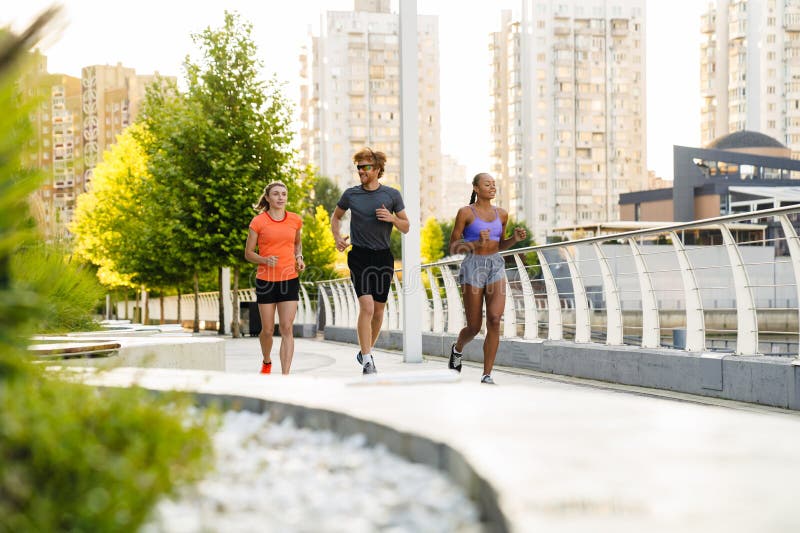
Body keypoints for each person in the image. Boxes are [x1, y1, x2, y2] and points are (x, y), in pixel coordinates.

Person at [331, 148, 410, 374]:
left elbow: (406, 226)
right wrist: (337, 237)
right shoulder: (351, 194)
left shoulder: (392, 195)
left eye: (365, 167)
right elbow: (336, 217)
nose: (361, 171)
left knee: (378, 311)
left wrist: (392, 218)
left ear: (377, 170)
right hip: (359, 255)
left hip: (383, 257)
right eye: (358, 167)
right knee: (366, 306)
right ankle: (367, 360)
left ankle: (365, 350)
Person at [447, 173, 527, 384]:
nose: (492, 187)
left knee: (494, 319)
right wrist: (475, 244)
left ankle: (487, 374)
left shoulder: (502, 214)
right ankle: (457, 348)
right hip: (473, 266)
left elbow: (499, 245)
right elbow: (453, 247)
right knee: (474, 326)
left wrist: (514, 240)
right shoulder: (466, 212)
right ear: (475, 188)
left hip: (495, 266)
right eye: (487, 184)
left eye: (494, 184)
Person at [245, 181, 305, 375]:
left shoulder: (295, 220)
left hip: (289, 278)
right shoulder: (258, 222)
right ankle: (267, 360)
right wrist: (263, 259)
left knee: (287, 328)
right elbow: (248, 253)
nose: (281, 197)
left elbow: (297, 244)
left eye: (284, 194)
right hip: (266, 280)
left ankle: (285, 375)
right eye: (276, 194)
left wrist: (299, 258)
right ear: (268, 198)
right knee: (268, 330)